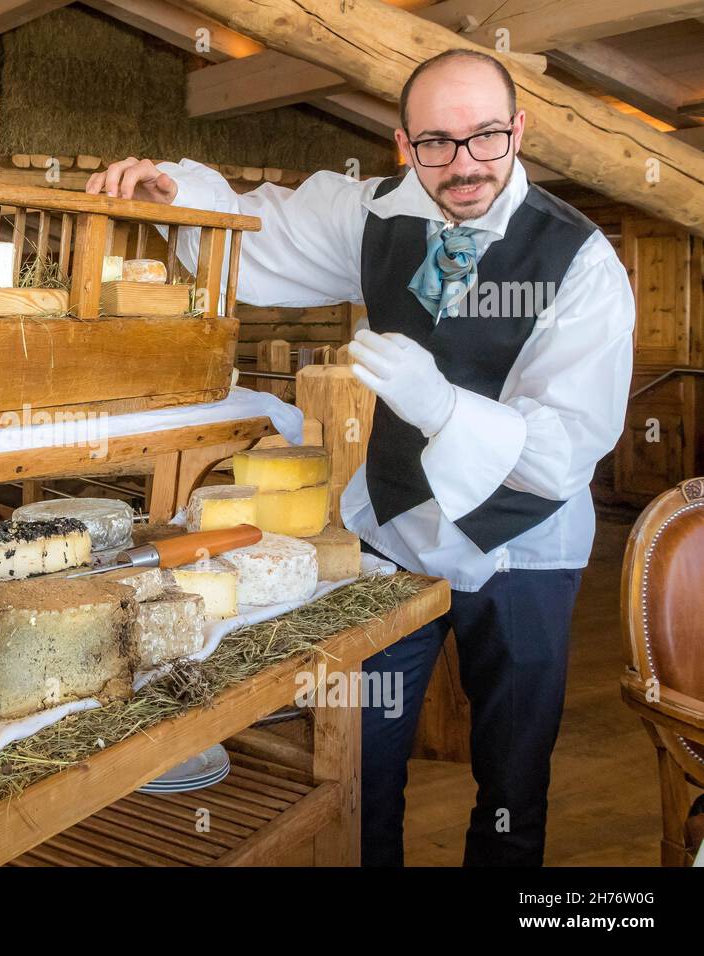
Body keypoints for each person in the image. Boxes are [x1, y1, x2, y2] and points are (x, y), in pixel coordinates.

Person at [87, 49, 634, 866]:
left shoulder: (580, 260)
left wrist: (445, 406)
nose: (463, 165)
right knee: (362, 760)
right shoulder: (378, 210)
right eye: (436, 144)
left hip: (525, 544)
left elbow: (563, 451)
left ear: (518, 130)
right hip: (398, 529)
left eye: (486, 138)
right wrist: (182, 199)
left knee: (514, 782)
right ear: (402, 144)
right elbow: (265, 227)